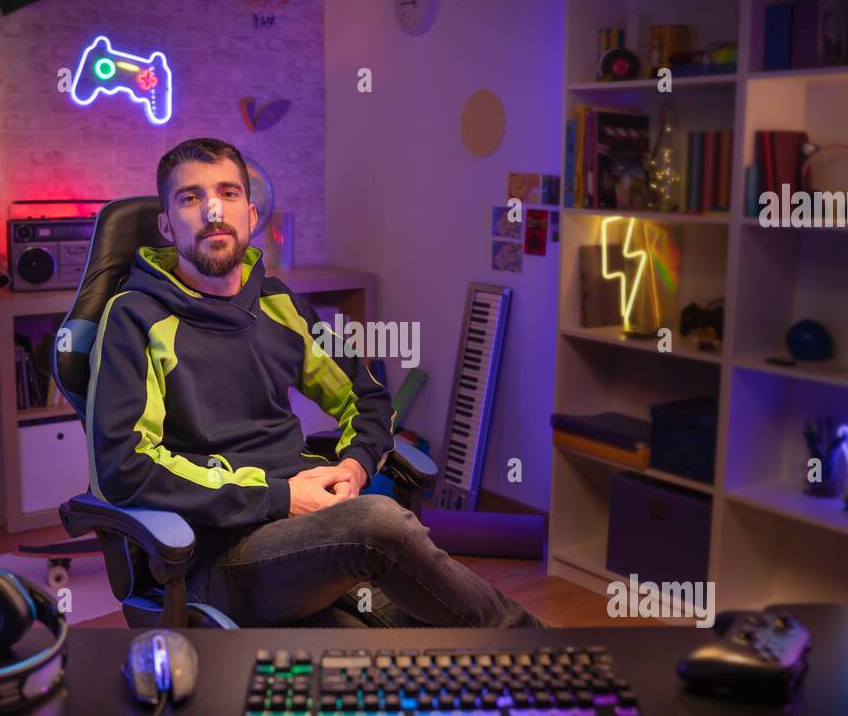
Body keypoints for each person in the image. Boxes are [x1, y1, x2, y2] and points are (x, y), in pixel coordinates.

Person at [84, 136, 547, 628]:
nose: (212, 210)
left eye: (228, 193)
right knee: (378, 525)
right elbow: (123, 469)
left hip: (310, 528)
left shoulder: (278, 304)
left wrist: (354, 465)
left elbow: (366, 397)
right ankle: (540, 646)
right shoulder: (134, 318)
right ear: (166, 225)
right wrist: (279, 496)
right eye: (190, 198)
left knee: (423, 636)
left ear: (250, 210)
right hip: (216, 553)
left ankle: (540, 677)